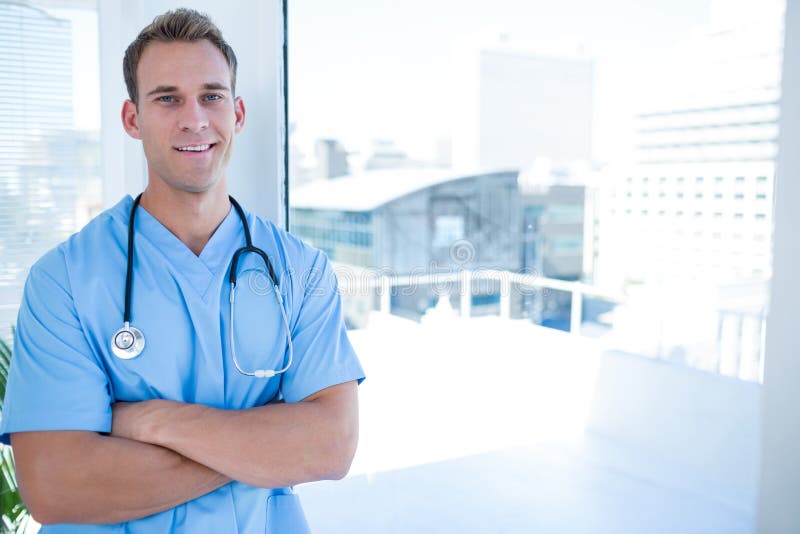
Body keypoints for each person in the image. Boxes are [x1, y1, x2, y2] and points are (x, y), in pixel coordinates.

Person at [0, 8, 364, 533]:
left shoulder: (300, 270)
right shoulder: (65, 280)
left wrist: (148, 421)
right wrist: (261, 448)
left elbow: (331, 446)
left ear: (237, 113)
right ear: (132, 119)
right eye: (167, 98)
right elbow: (56, 487)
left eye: (211, 96)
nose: (194, 118)